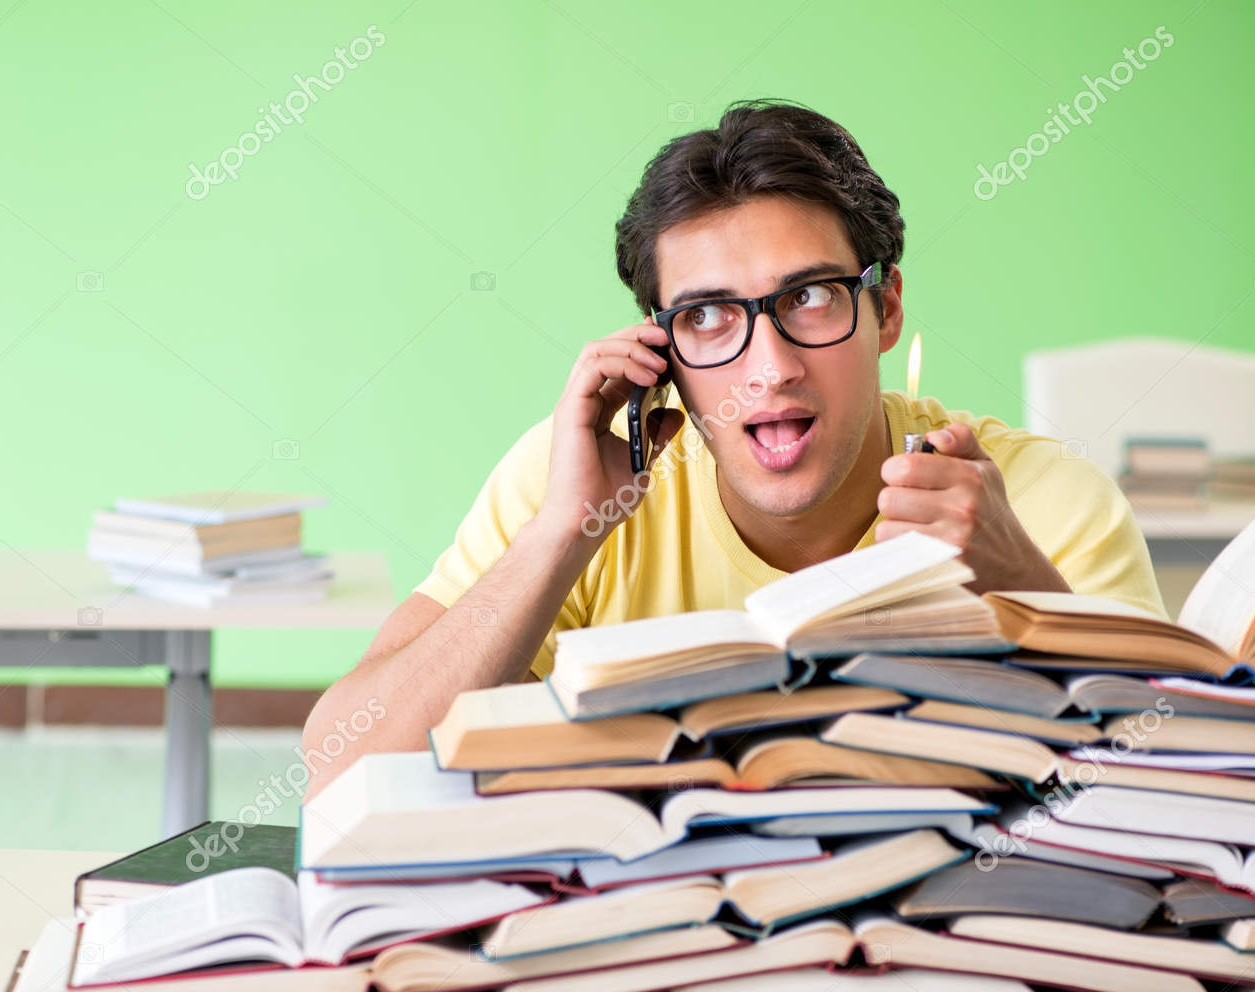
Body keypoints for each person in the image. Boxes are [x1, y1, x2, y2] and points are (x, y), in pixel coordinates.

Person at [301, 100, 1162, 797]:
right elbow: (341, 770)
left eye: (814, 297)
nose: (770, 369)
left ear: (885, 308)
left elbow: (1175, 809)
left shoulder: (1040, 500)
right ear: (659, 351)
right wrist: (562, 532)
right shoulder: (577, 479)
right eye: (707, 318)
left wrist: (1024, 591)